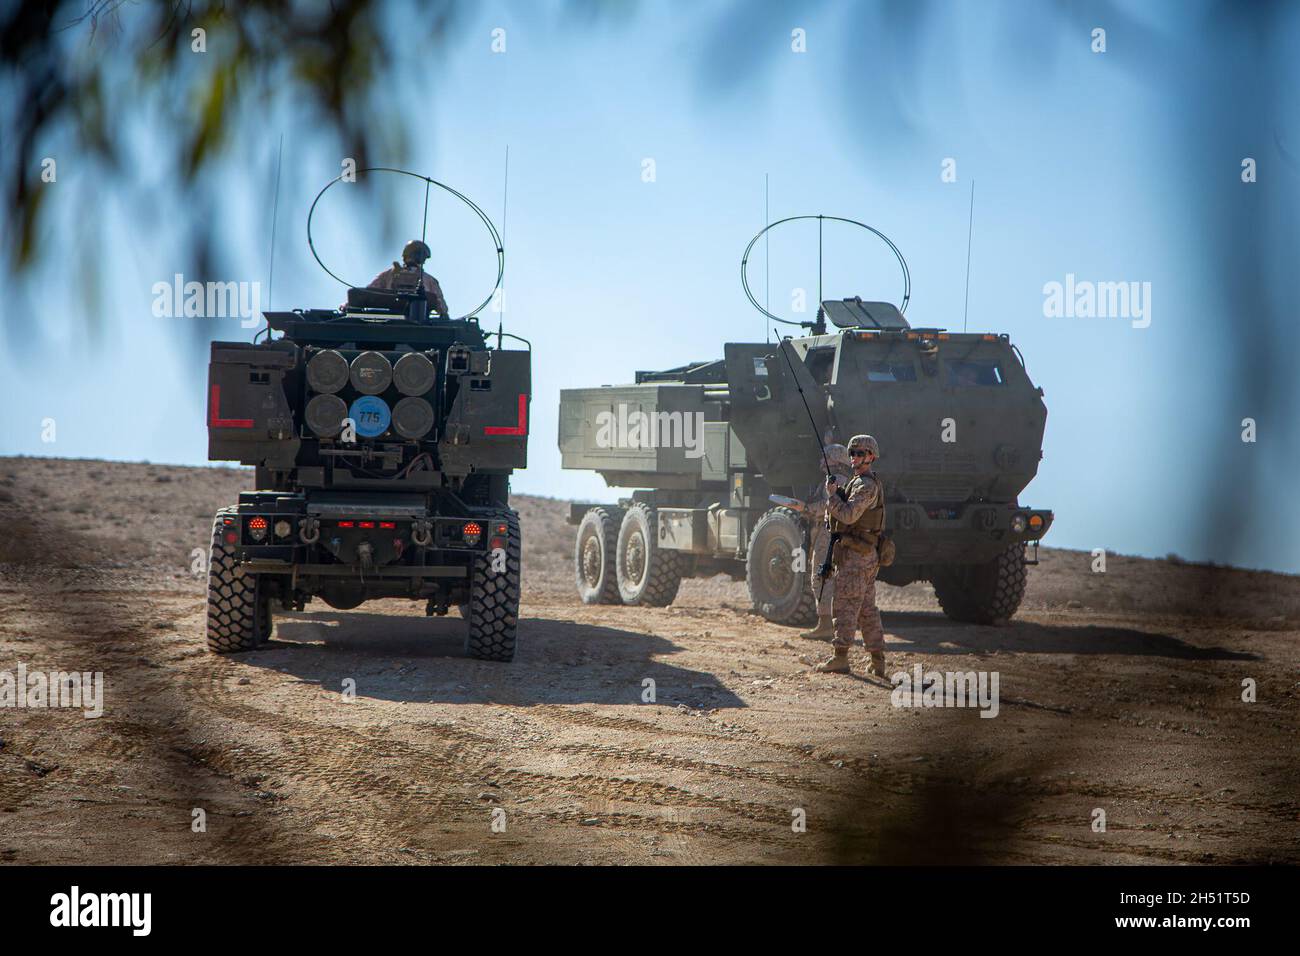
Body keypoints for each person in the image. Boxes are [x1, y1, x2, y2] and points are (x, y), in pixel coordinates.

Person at [815, 434, 888, 677]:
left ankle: (840, 657)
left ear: (871, 457)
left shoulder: (866, 485)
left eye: (861, 454)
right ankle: (877, 662)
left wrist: (832, 496)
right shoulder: (858, 482)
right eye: (852, 453)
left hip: (858, 557)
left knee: (845, 605)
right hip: (861, 554)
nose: (855, 458)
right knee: (867, 609)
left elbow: (848, 516)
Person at [787, 444, 852, 641]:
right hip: (832, 533)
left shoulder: (837, 480)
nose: (821, 461)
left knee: (821, 576)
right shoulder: (841, 479)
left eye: (826, 457)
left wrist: (806, 508)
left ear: (835, 460)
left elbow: (828, 506)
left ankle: (825, 625)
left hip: (828, 533)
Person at [368, 239, 450, 318]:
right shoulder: (429, 280)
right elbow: (442, 308)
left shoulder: (388, 275)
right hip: (419, 322)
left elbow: (368, 293)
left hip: (391, 321)